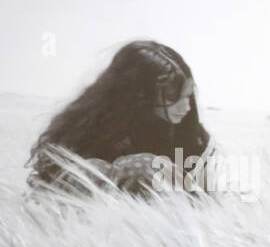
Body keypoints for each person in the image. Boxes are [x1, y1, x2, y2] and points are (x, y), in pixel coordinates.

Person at [26, 40, 211, 195]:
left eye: (187, 96)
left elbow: (202, 198)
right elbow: (46, 189)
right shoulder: (87, 129)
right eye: (172, 96)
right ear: (140, 94)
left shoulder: (189, 134)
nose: (186, 106)